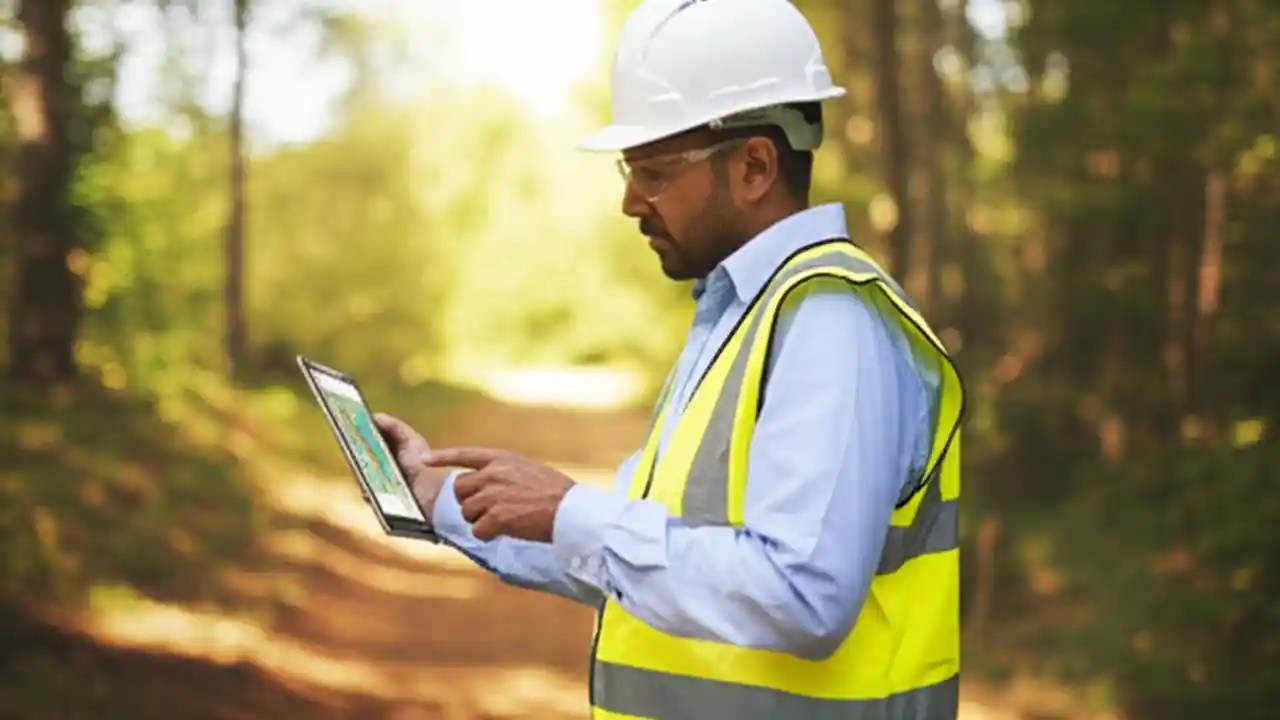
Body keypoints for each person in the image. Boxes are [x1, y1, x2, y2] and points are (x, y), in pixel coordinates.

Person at [375, 0, 964, 717]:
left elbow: (803, 594)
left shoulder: (831, 323)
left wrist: (570, 511)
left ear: (754, 166)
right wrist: (434, 497)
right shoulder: (743, 317)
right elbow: (639, 555)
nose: (630, 201)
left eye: (653, 172)